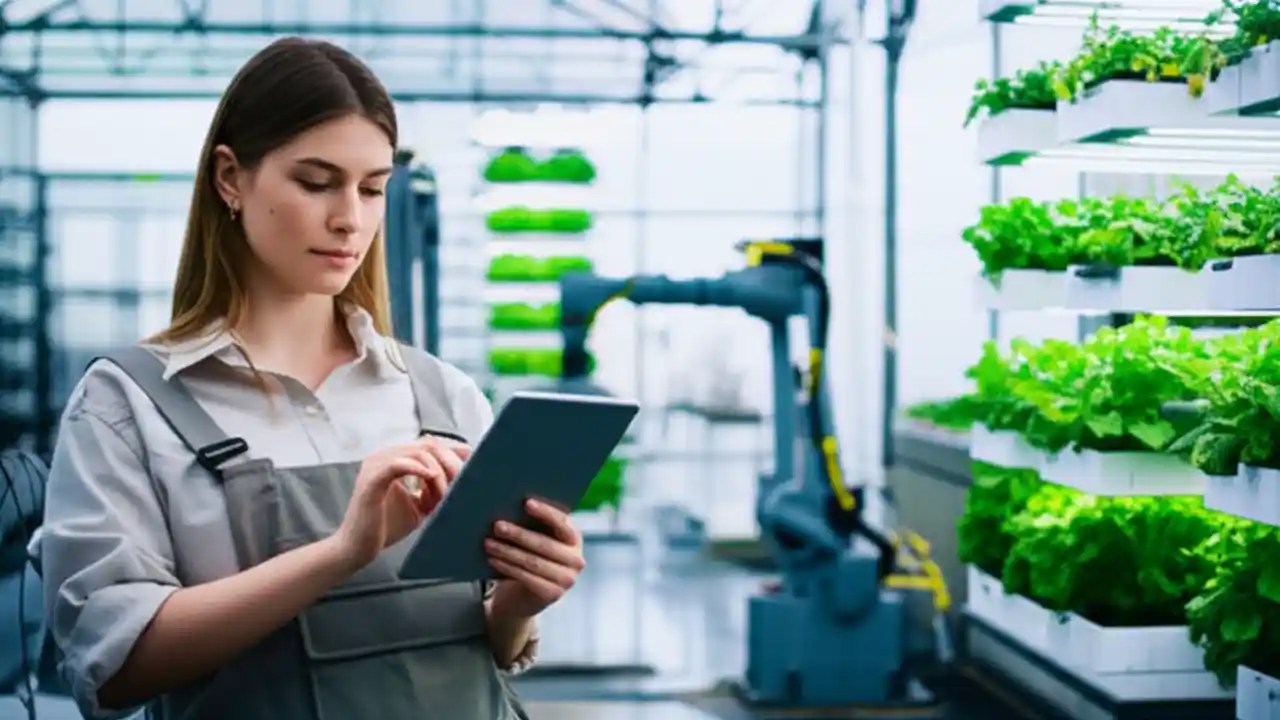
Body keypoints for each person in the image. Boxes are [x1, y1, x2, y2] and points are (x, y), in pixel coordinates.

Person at [29, 36, 587, 720]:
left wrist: (522, 601)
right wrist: (342, 552)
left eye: (373, 188)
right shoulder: (128, 405)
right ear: (230, 179)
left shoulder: (442, 395)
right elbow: (112, 668)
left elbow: (480, 647)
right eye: (316, 183)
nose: (350, 218)